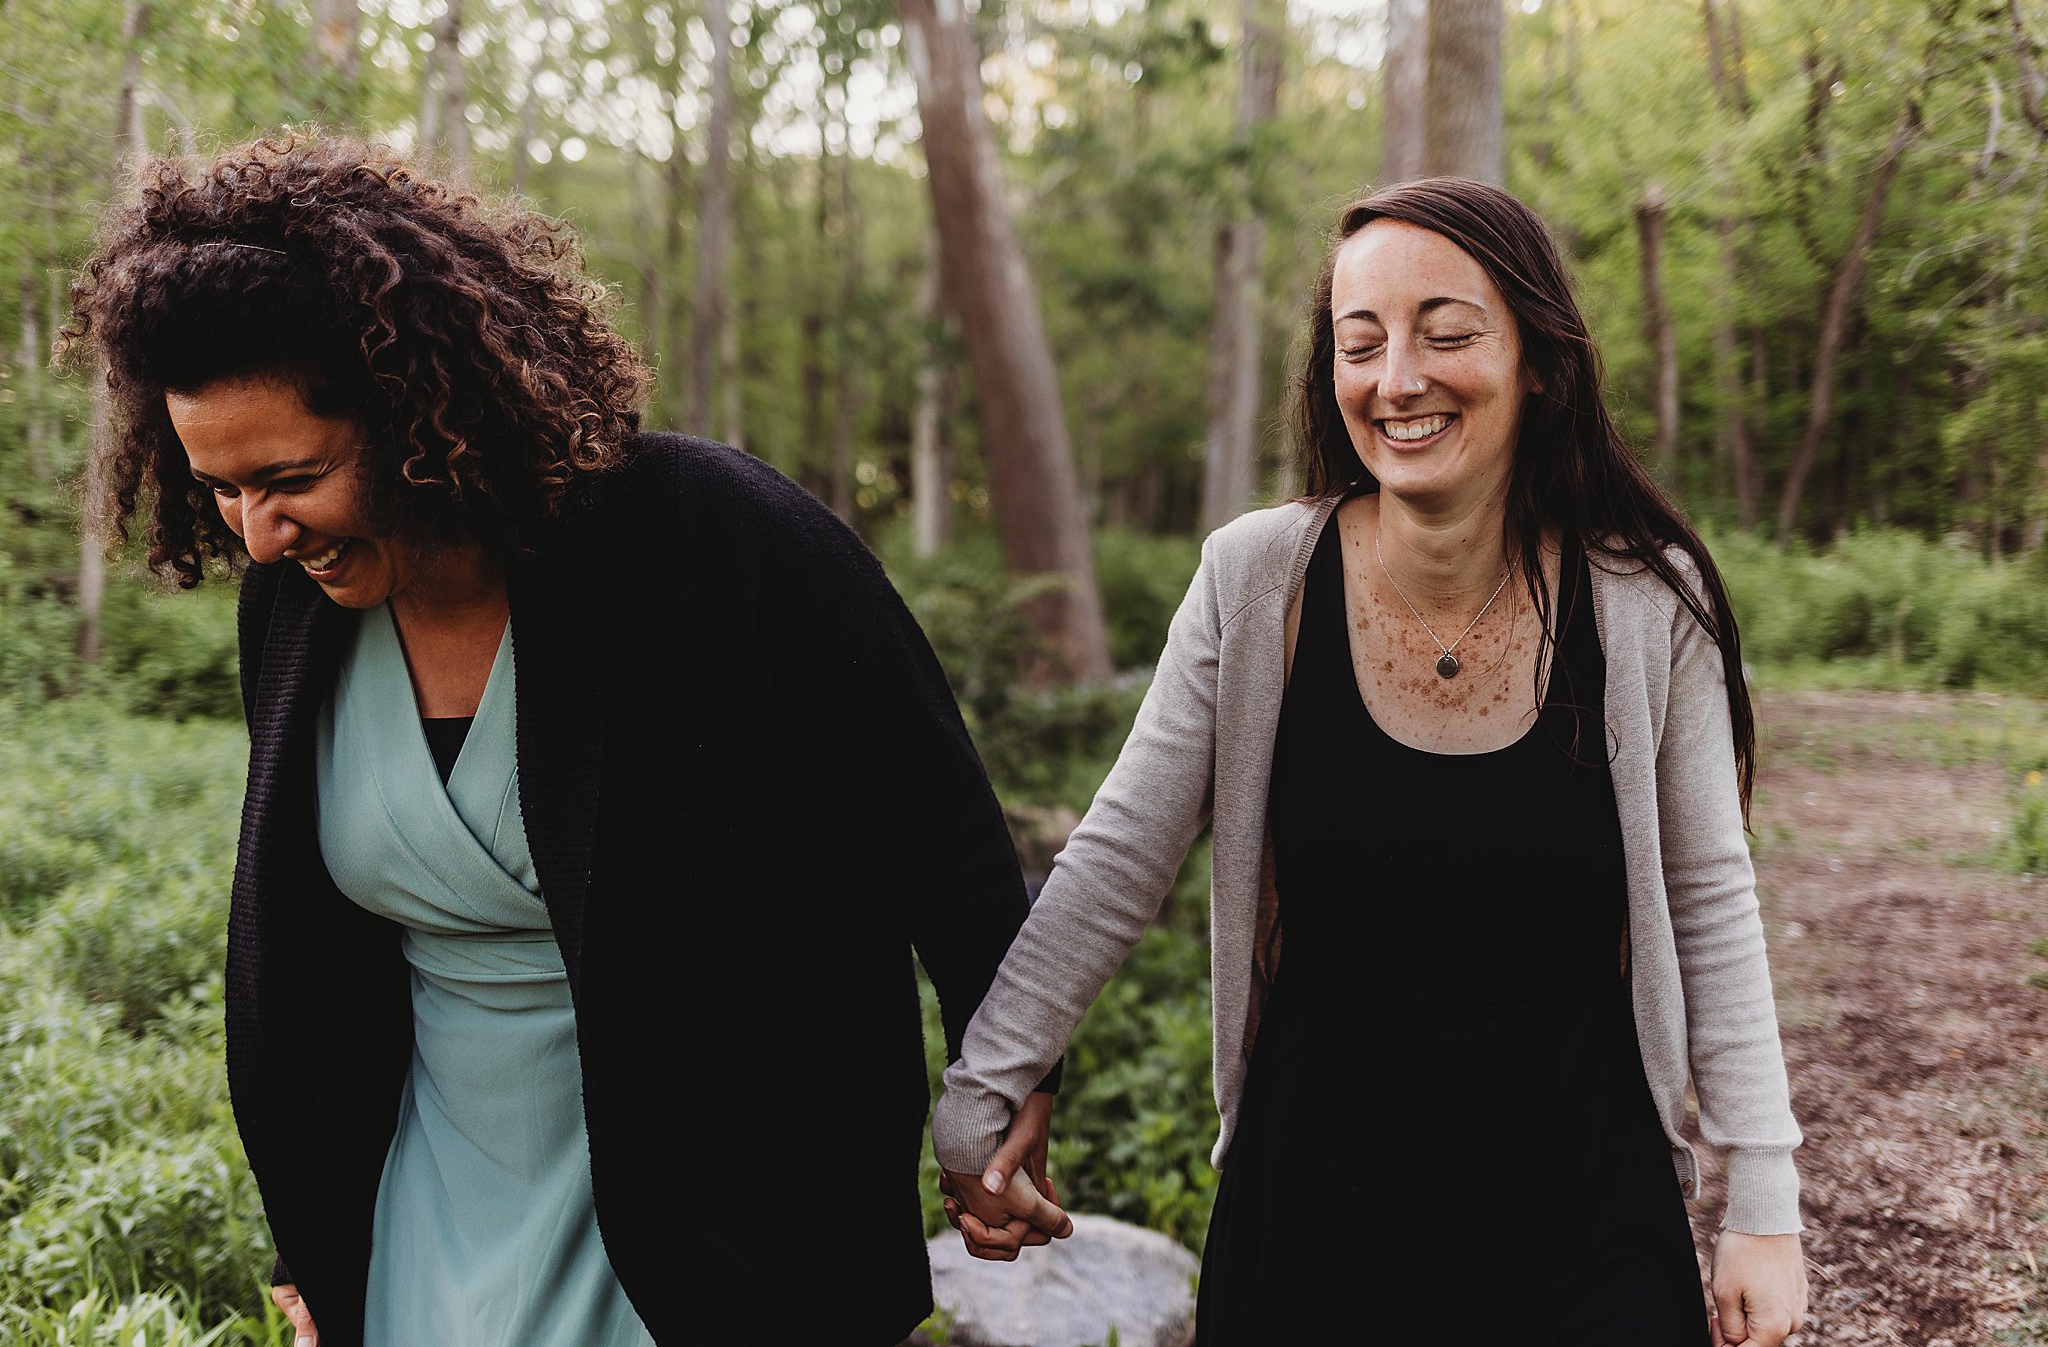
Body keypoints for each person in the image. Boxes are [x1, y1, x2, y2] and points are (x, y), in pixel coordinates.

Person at [68, 131, 1069, 1347]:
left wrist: (1001, 1085)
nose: (260, 532)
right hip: (434, 1201)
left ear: (412, 410)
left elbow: (941, 835)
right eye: (221, 488)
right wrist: (314, 1236)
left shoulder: (721, 539)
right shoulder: (290, 610)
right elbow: (318, 974)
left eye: (289, 475)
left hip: (727, 1198)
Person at [932, 178, 1807, 1345]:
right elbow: (1113, 863)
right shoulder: (1257, 583)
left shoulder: (1647, 602)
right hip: (1312, 1212)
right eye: (1361, 343)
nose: (1397, 379)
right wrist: (980, 1097)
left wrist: (1761, 1202)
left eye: (1445, 334)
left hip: (1583, 1211)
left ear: (1539, 362)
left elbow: (1708, 896)